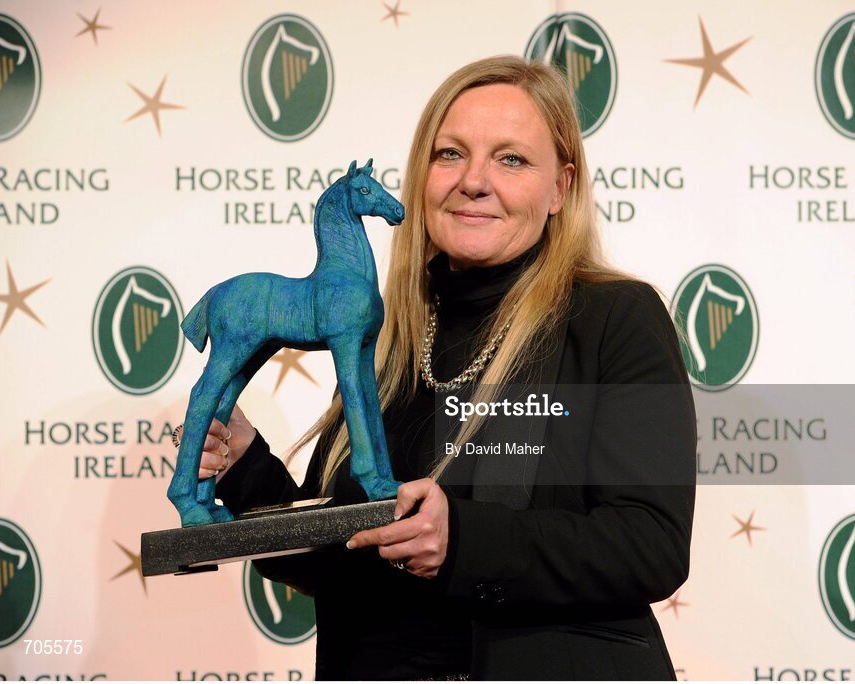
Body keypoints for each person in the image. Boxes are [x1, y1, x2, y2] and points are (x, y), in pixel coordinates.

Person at [195, 55, 697, 680]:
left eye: (511, 159)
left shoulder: (611, 317)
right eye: (450, 154)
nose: (473, 181)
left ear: (560, 189)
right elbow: (344, 551)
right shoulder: (391, 337)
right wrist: (244, 466)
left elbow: (649, 544)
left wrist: (462, 540)